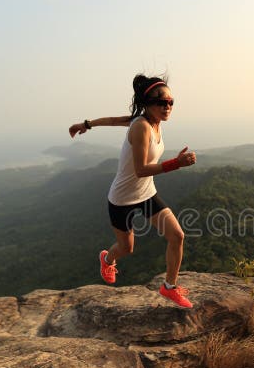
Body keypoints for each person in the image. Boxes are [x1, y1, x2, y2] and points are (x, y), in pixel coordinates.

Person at [68, 74, 196, 308]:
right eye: (161, 102)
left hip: (146, 194)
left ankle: (169, 288)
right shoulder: (141, 127)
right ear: (148, 103)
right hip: (122, 199)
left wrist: (85, 125)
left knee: (177, 235)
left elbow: (114, 120)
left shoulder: (152, 121)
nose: (167, 106)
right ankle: (107, 258)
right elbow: (140, 170)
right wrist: (176, 163)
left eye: (170, 102)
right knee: (127, 248)